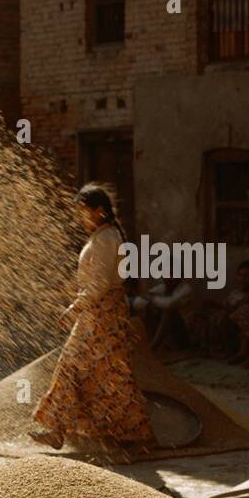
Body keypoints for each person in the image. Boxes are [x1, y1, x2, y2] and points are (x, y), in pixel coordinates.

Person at [30, 183, 155, 451]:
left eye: (84, 212)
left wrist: (74, 307)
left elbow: (98, 284)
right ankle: (125, 432)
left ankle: (56, 427)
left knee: (76, 366)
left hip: (102, 312)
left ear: (99, 211)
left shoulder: (107, 240)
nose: (80, 219)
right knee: (105, 372)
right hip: (102, 310)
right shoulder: (102, 236)